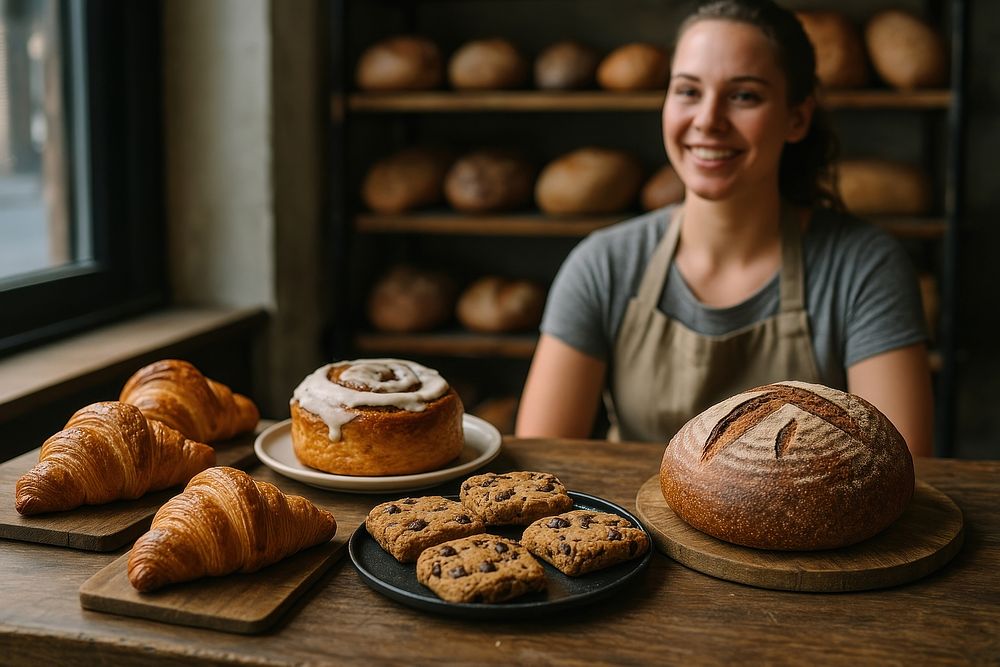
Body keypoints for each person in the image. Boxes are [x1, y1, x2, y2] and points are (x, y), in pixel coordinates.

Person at [515, 0, 934, 457]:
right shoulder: (604, 263)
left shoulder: (864, 267)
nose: (708, 120)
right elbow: (541, 461)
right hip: (632, 526)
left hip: (806, 530)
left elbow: (900, 472)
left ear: (797, 118)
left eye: (744, 96)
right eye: (688, 91)